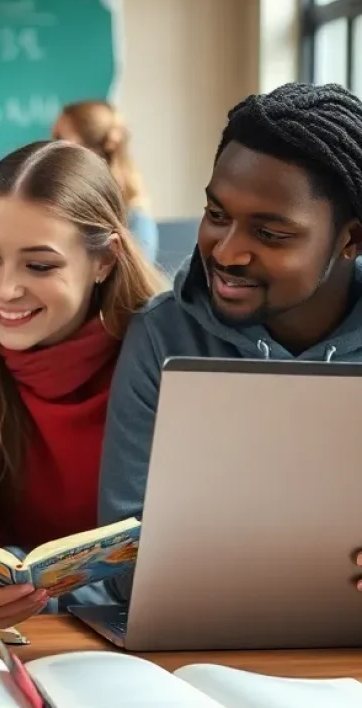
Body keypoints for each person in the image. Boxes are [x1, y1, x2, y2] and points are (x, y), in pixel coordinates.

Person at [99, 82, 362, 600]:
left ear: (350, 239)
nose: (226, 252)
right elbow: (123, 561)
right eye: (217, 216)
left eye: (270, 234)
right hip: (200, 626)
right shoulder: (162, 336)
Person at [0, 140, 164, 629]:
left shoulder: (161, 363)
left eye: (40, 265)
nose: (5, 289)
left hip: (139, 632)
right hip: (19, 635)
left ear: (105, 260)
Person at [53, 100, 159, 263]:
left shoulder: (135, 219)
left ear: (88, 149)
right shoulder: (59, 205)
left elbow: (135, 275)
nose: (51, 148)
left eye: (60, 139)